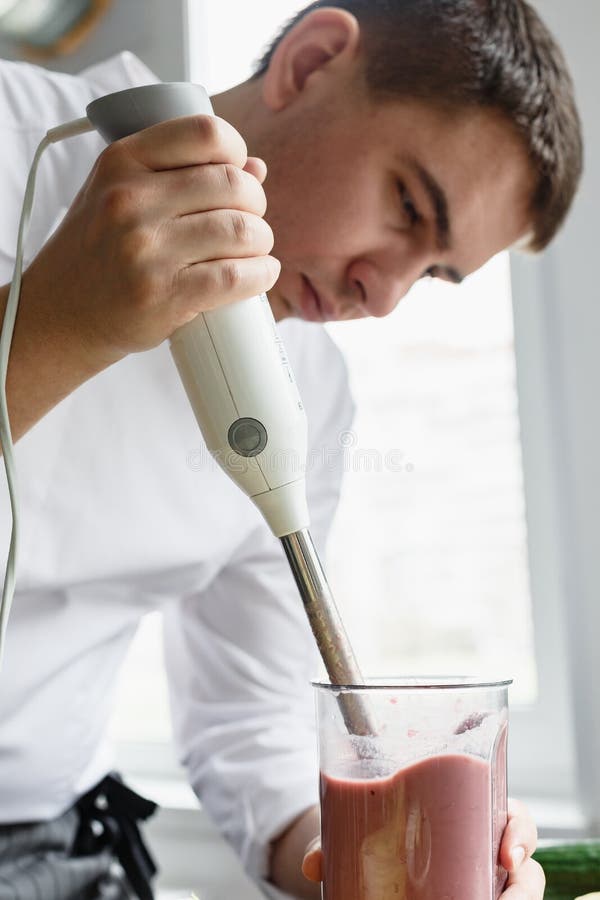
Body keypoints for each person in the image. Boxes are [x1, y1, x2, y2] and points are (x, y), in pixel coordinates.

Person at [0, 0, 582, 898]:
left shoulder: (313, 392)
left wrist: (379, 859)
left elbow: (252, 730)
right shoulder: (13, 142)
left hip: (56, 852)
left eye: (432, 271)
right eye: (406, 206)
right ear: (311, 63)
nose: (381, 295)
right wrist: (59, 320)